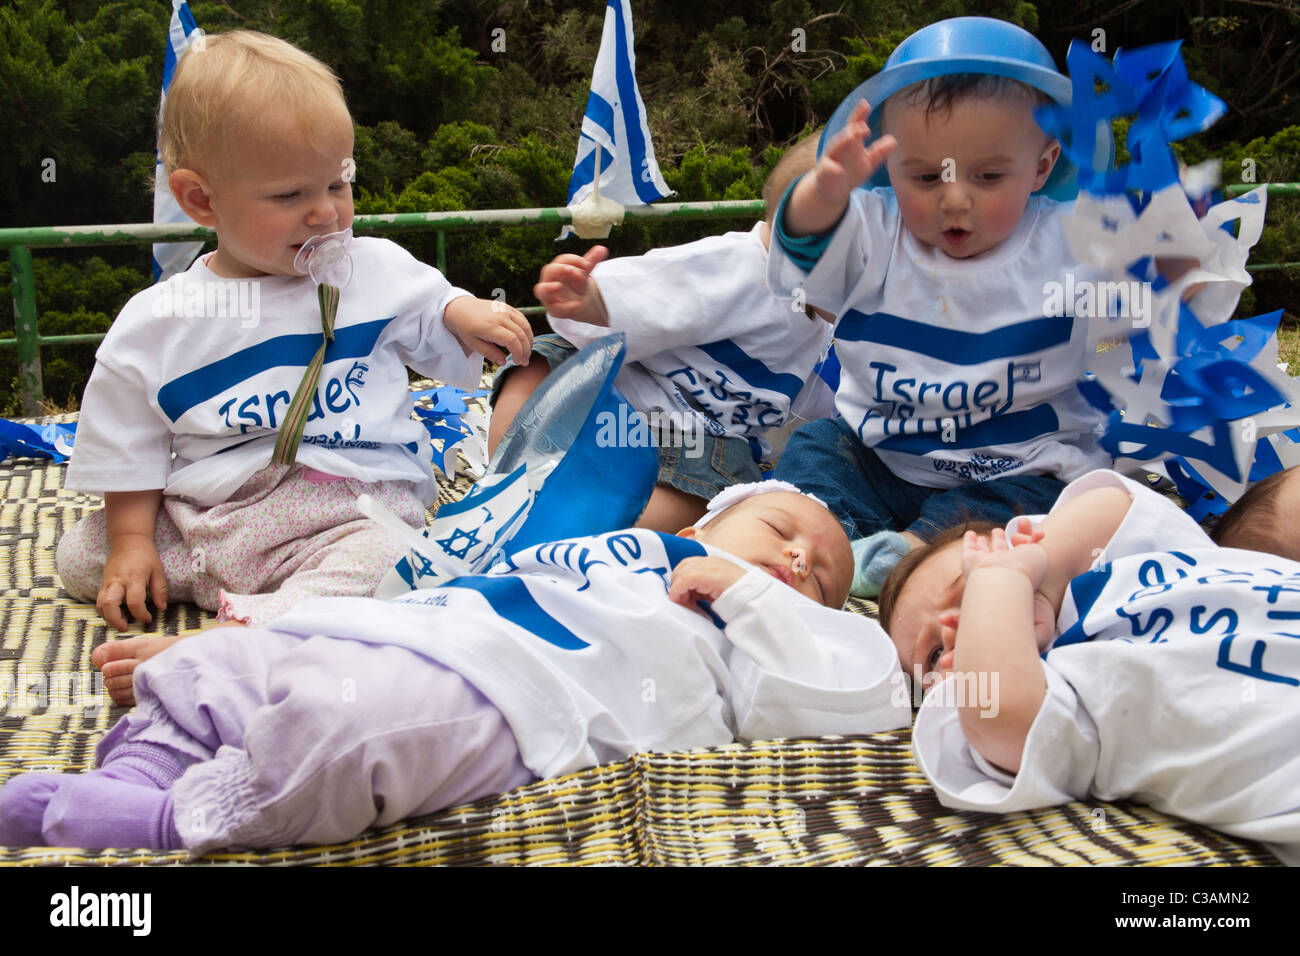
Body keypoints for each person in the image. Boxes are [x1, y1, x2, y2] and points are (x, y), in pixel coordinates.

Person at [0, 483, 911, 854]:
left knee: (350, 737)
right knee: (232, 667)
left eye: (821, 575)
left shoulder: (757, 632)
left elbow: (860, 695)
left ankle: (173, 816)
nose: (799, 563)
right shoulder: (636, 543)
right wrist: (281, 627)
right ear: (707, 523)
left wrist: (755, 602)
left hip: (515, 697)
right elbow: (465, 580)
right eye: (783, 533)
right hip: (430, 625)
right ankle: (139, 764)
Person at [54, 31, 532, 694]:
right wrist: (132, 543)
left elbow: (430, 307)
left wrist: (467, 316)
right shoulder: (158, 322)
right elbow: (125, 439)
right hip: (211, 518)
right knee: (83, 554)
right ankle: (272, 600)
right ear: (200, 200)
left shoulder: (373, 268)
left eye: (338, 182)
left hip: (350, 505)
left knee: (395, 562)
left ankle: (236, 641)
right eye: (288, 196)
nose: (326, 212)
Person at [767, 18, 1119, 599]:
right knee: (817, 451)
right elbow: (803, 244)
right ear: (887, 169)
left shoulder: (1071, 238)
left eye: (988, 175)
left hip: (1012, 463)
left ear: (1042, 165)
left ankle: (908, 553)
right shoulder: (874, 227)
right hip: (878, 452)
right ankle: (825, 539)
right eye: (926, 176)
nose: (955, 199)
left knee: (1045, 502)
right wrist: (825, 193)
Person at [879, 468, 1300, 864]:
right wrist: (997, 585)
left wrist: (1038, 564)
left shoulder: (1150, 562)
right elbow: (1000, 714)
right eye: (934, 654)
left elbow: (1115, 504)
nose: (963, 621)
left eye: (969, 586)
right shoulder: (1070, 689)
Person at [491, 134, 836, 532]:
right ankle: (504, 479)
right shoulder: (735, 264)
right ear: (805, 245)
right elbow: (652, 285)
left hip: (701, 440)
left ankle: (581, 529)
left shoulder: (832, 326)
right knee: (540, 361)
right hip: (616, 391)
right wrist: (593, 300)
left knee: (725, 492)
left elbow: (829, 406)